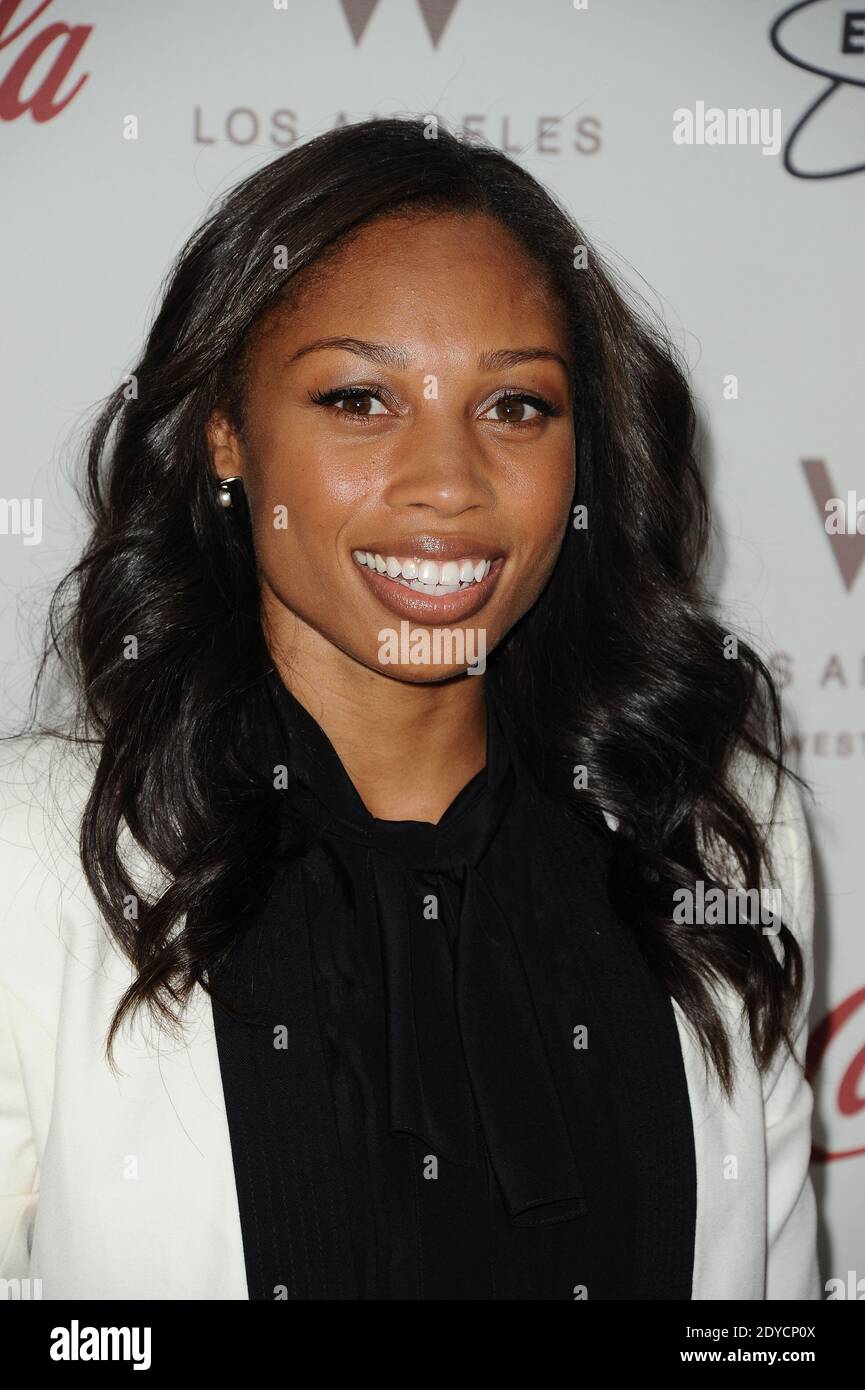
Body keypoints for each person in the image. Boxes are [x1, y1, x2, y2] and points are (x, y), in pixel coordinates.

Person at [0, 116, 819, 1300]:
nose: (448, 483)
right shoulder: (37, 856)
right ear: (226, 433)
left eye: (515, 406)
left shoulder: (713, 832)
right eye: (359, 398)